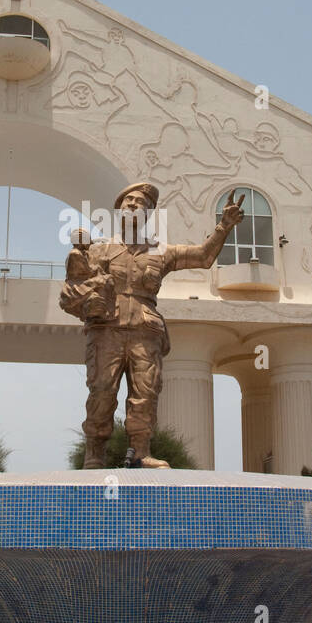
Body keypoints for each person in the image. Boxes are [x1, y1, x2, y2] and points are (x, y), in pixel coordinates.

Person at [60, 182, 244, 468]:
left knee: (145, 394)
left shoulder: (160, 251)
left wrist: (224, 226)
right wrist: (88, 305)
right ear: (118, 211)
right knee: (101, 391)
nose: (133, 204)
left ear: (149, 213)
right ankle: (95, 453)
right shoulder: (98, 251)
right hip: (106, 330)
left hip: (146, 333)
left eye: (140, 202)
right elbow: (70, 292)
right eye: (128, 201)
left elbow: (203, 257)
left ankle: (141, 452)